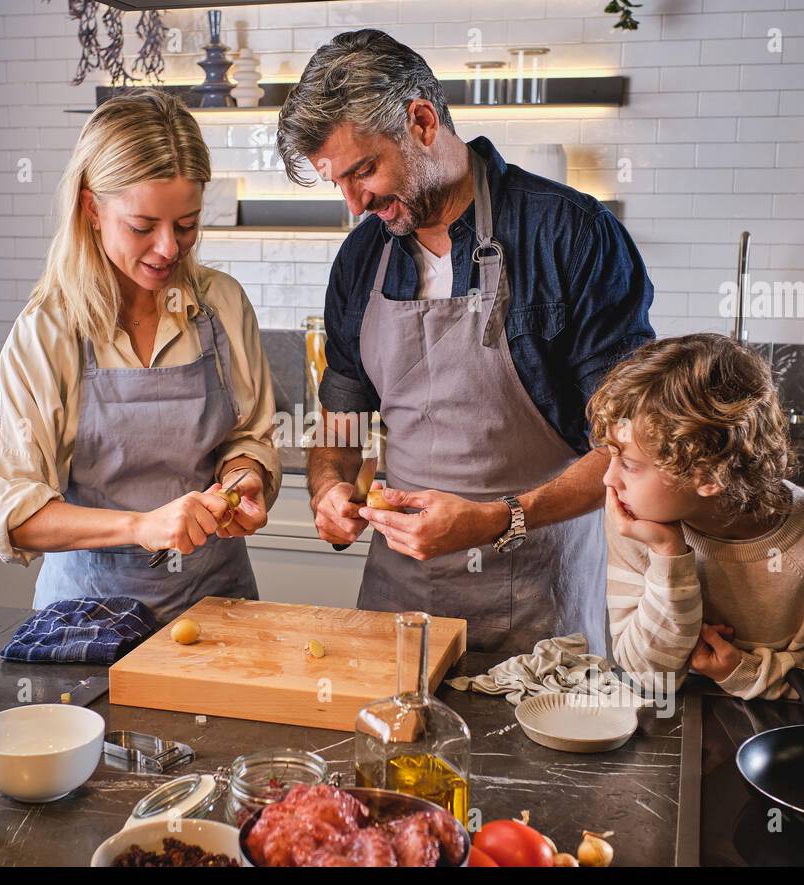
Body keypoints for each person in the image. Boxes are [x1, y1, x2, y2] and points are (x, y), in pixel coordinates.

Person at [276, 29, 655, 654]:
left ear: (422, 120)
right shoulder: (359, 259)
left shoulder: (571, 234)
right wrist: (329, 490)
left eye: (365, 170)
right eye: (339, 183)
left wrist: (496, 520)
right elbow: (341, 422)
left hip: (539, 604)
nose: (355, 204)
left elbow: (633, 446)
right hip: (399, 609)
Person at [0, 90, 281, 622]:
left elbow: (247, 437)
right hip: (88, 620)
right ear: (92, 208)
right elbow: (14, 513)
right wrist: (141, 527)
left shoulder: (223, 305)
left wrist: (243, 478)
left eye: (186, 225)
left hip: (220, 608)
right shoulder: (47, 330)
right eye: (143, 227)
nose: (168, 247)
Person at [590, 333, 804, 700]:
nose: (608, 479)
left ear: (709, 476)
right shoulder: (641, 524)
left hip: (784, 739)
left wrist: (747, 672)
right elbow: (647, 676)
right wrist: (668, 557)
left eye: (629, 464)